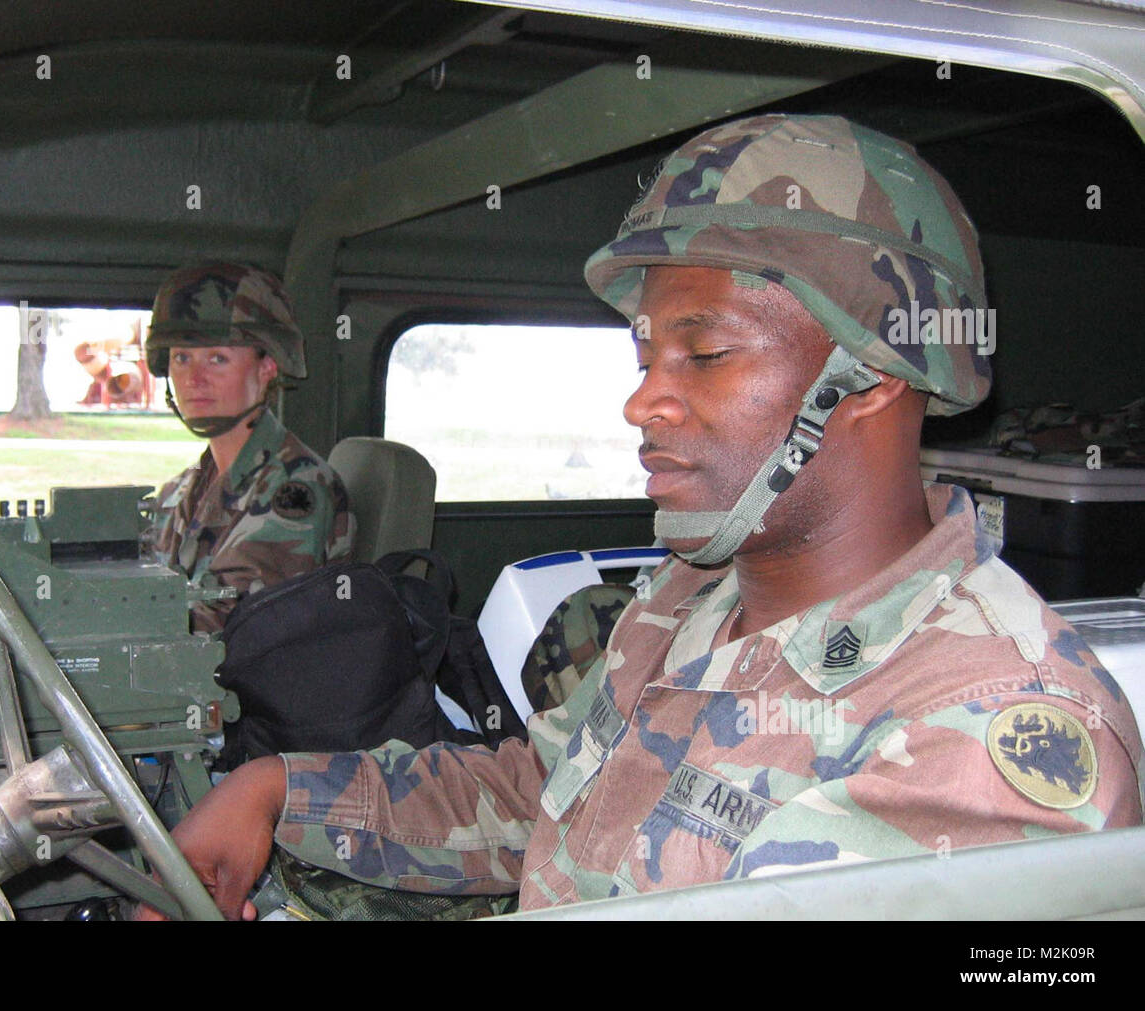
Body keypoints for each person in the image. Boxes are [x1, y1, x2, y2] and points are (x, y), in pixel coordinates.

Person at [139, 116, 1142, 918]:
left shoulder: (977, 747)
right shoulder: (688, 600)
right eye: (643, 359)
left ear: (873, 375)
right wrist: (276, 793)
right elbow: (543, 794)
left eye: (702, 355)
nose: (641, 404)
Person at [146, 262, 354, 634]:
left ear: (267, 366)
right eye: (181, 358)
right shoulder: (182, 489)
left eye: (217, 359)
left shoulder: (297, 489)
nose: (194, 379)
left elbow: (237, 626)